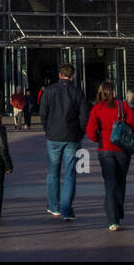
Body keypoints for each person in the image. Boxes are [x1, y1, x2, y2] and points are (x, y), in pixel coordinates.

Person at [87, 80, 134, 231]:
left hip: (105, 148)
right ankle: (118, 209)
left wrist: (98, 138)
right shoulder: (122, 106)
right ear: (113, 93)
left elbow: (90, 130)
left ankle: (113, 219)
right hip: (122, 148)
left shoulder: (97, 108)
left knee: (109, 183)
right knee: (121, 180)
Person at [39, 64, 90, 220]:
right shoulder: (77, 92)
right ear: (72, 76)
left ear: (60, 75)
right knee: (70, 174)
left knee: (53, 173)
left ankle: (54, 206)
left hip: (53, 136)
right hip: (72, 136)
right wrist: (80, 132)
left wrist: (47, 129)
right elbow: (84, 115)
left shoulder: (48, 91)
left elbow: (43, 113)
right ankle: (67, 210)